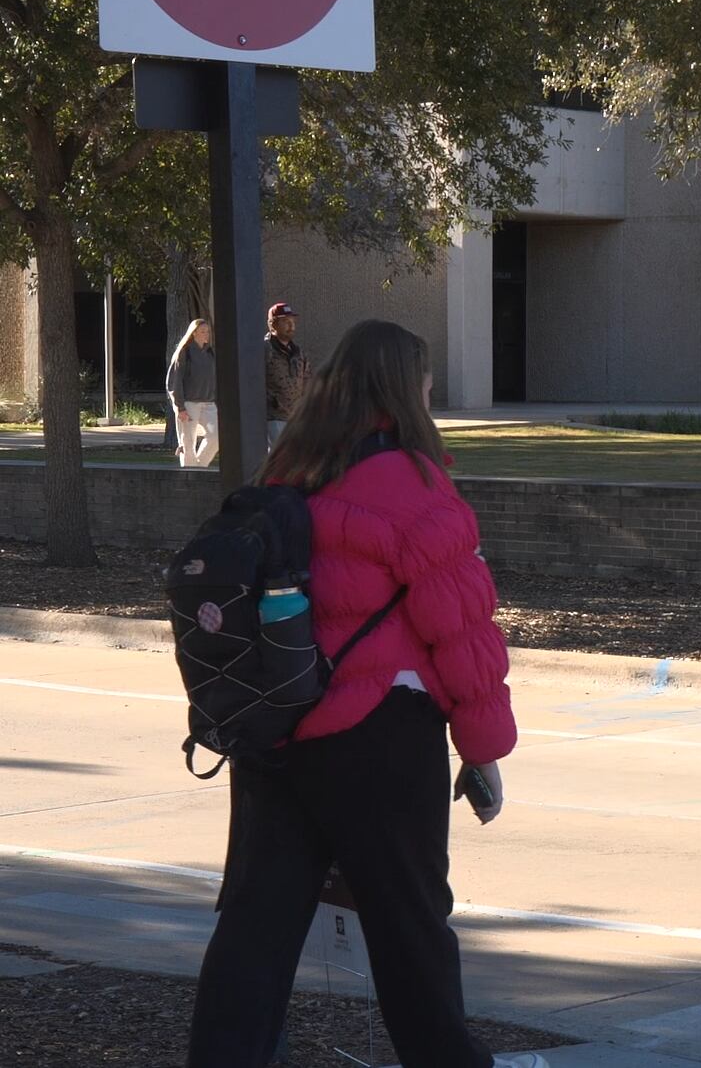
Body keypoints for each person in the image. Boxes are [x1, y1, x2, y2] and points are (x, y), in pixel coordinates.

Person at [186, 319, 542, 1068]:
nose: (431, 391)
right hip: (380, 738)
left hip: (278, 733)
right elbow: (462, 628)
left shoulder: (289, 467)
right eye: (424, 379)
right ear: (401, 389)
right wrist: (483, 750)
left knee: (255, 935)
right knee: (412, 935)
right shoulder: (414, 482)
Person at [165, 319, 218, 468]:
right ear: (193, 333)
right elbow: (174, 381)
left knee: (216, 436)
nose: (206, 334)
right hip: (188, 403)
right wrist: (179, 407)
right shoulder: (184, 352)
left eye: (207, 331)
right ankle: (189, 473)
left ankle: (199, 467)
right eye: (202, 331)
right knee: (187, 443)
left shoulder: (210, 353)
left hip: (209, 402)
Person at [263, 301, 309, 447]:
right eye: (285, 322)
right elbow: (252, 381)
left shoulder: (298, 352)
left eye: (292, 321)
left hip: (295, 415)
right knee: (282, 456)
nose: (291, 326)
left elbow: (307, 378)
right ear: (273, 325)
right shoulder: (264, 349)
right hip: (273, 416)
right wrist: (271, 401)